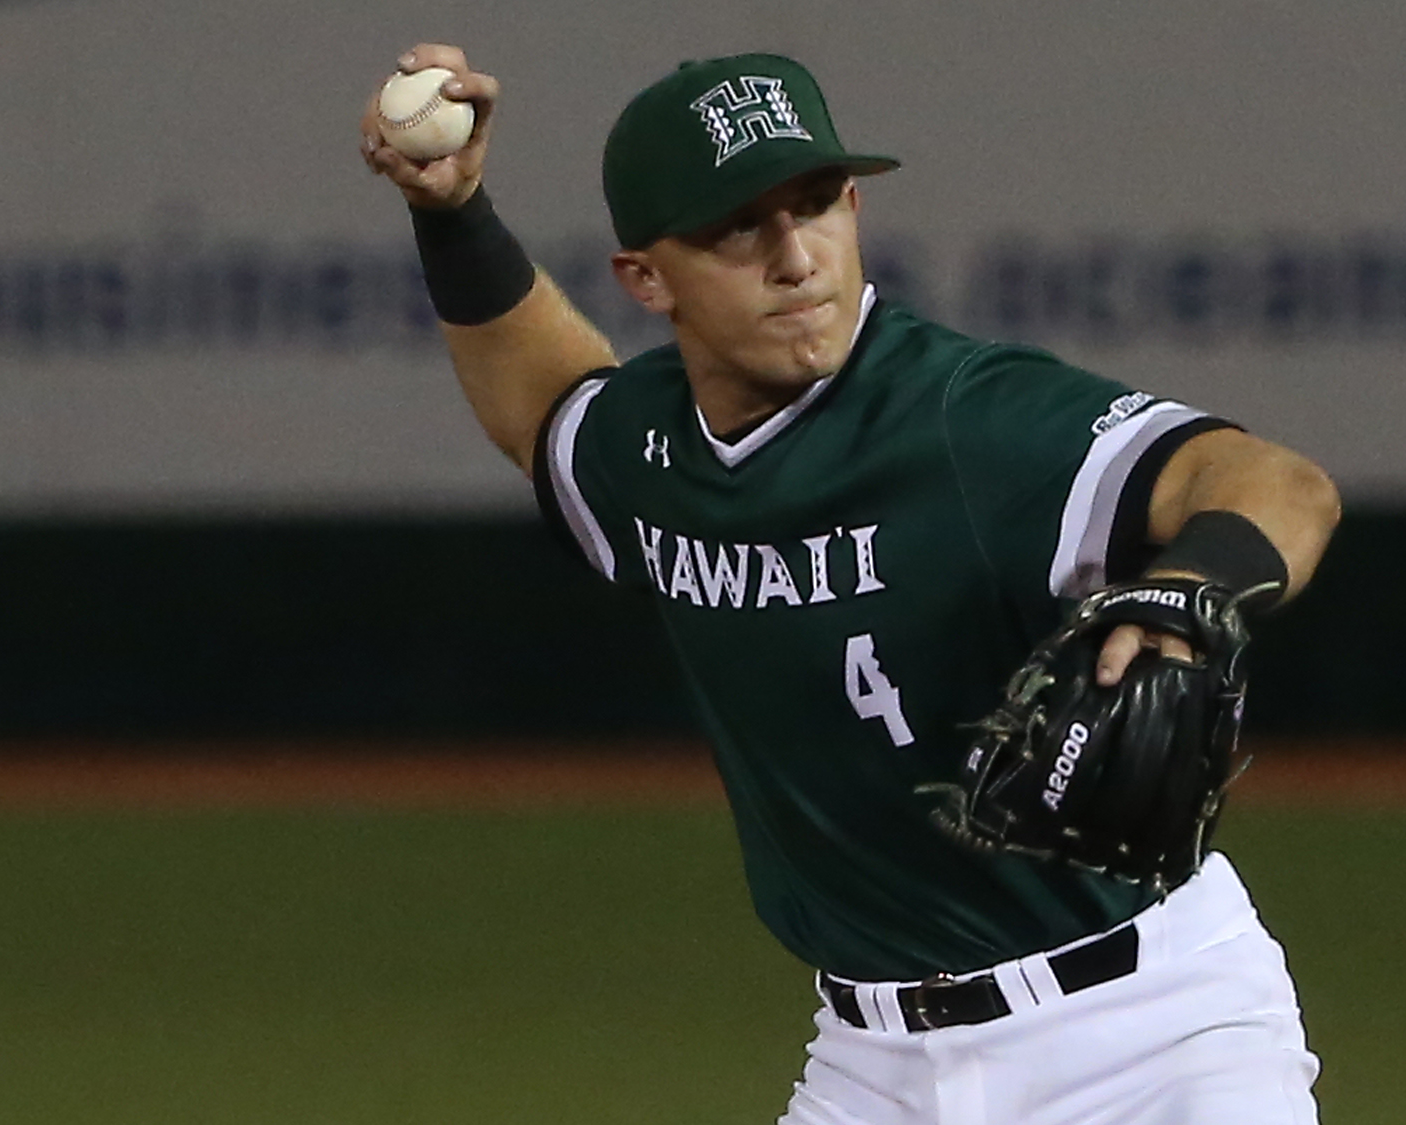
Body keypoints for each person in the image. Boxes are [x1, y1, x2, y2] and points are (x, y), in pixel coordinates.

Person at [362, 44, 1340, 1125]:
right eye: (739, 226)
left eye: (817, 202)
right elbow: (544, 406)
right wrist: (453, 218)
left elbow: (1270, 481)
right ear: (645, 279)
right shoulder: (653, 457)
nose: (797, 257)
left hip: (1148, 1034)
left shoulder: (966, 416)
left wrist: (1188, 591)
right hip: (871, 1068)